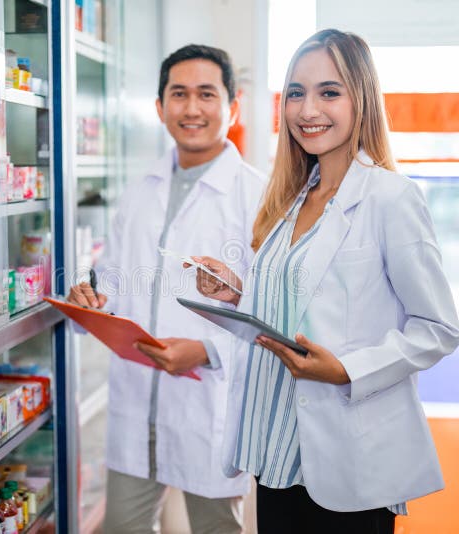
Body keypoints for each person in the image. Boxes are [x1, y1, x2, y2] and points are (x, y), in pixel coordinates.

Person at [191, 29, 459, 533]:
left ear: (361, 99)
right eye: (296, 93)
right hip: (275, 451)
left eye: (329, 92)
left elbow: (438, 328)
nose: (308, 109)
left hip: (347, 461)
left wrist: (346, 370)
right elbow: (304, 305)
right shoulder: (292, 198)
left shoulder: (390, 198)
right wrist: (239, 293)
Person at [67, 44, 266, 533]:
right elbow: (114, 277)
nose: (192, 108)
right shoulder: (140, 191)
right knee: (122, 528)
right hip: (136, 403)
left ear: (232, 106)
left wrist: (206, 350)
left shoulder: (258, 196)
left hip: (211, 402)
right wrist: (91, 297)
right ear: (160, 107)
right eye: (179, 94)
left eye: (206, 94)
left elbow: (274, 315)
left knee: (216, 529)